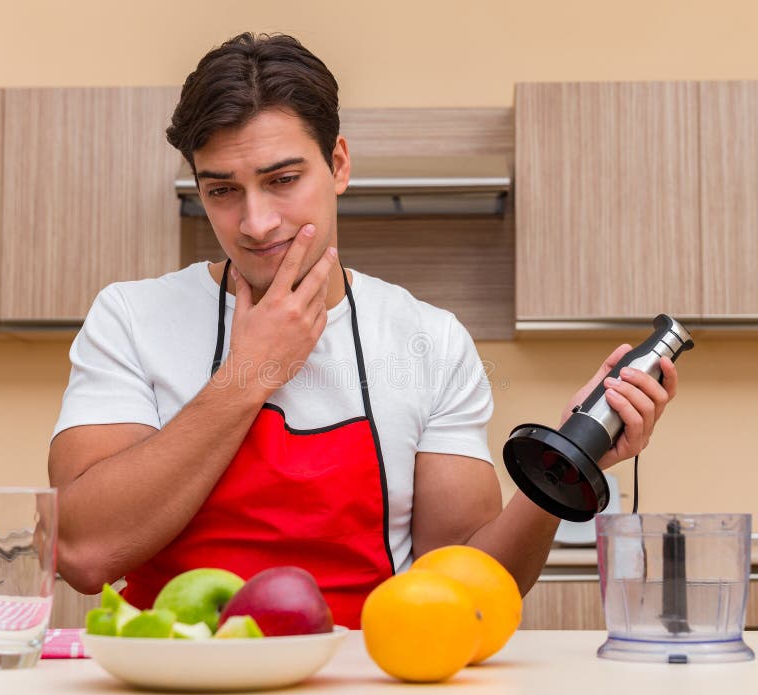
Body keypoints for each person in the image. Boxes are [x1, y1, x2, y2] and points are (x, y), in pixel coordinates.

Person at [48, 32, 677, 628]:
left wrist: (561, 467)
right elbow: (82, 554)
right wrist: (251, 374)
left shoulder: (430, 340)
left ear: (339, 164)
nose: (256, 222)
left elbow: (462, 586)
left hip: (367, 687)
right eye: (222, 191)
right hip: (173, 680)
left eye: (282, 180)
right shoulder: (130, 319)